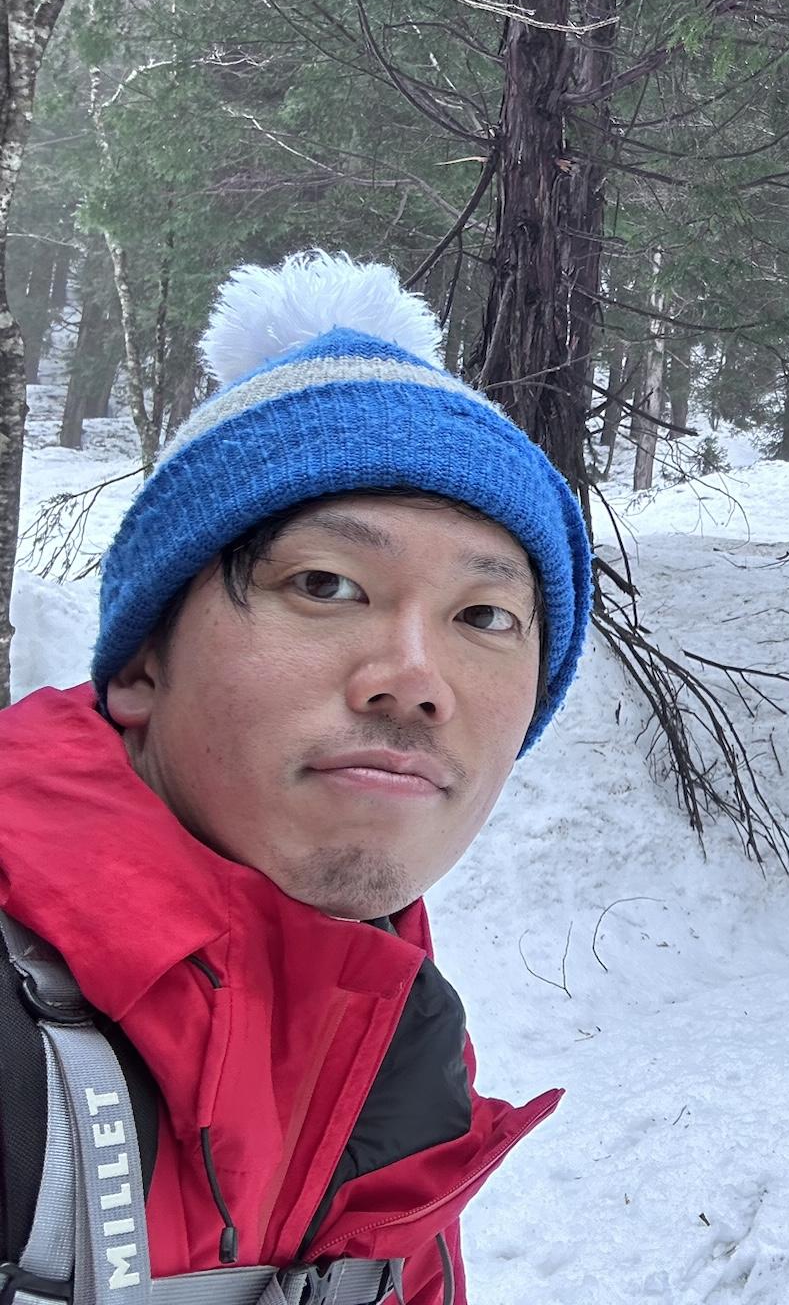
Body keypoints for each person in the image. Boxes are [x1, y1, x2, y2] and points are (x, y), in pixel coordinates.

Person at [0, 253, 593, 1304]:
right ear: (143, 660)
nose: (416, 681)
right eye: (327, 584)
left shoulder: (401, 1048)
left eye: (484, 617)